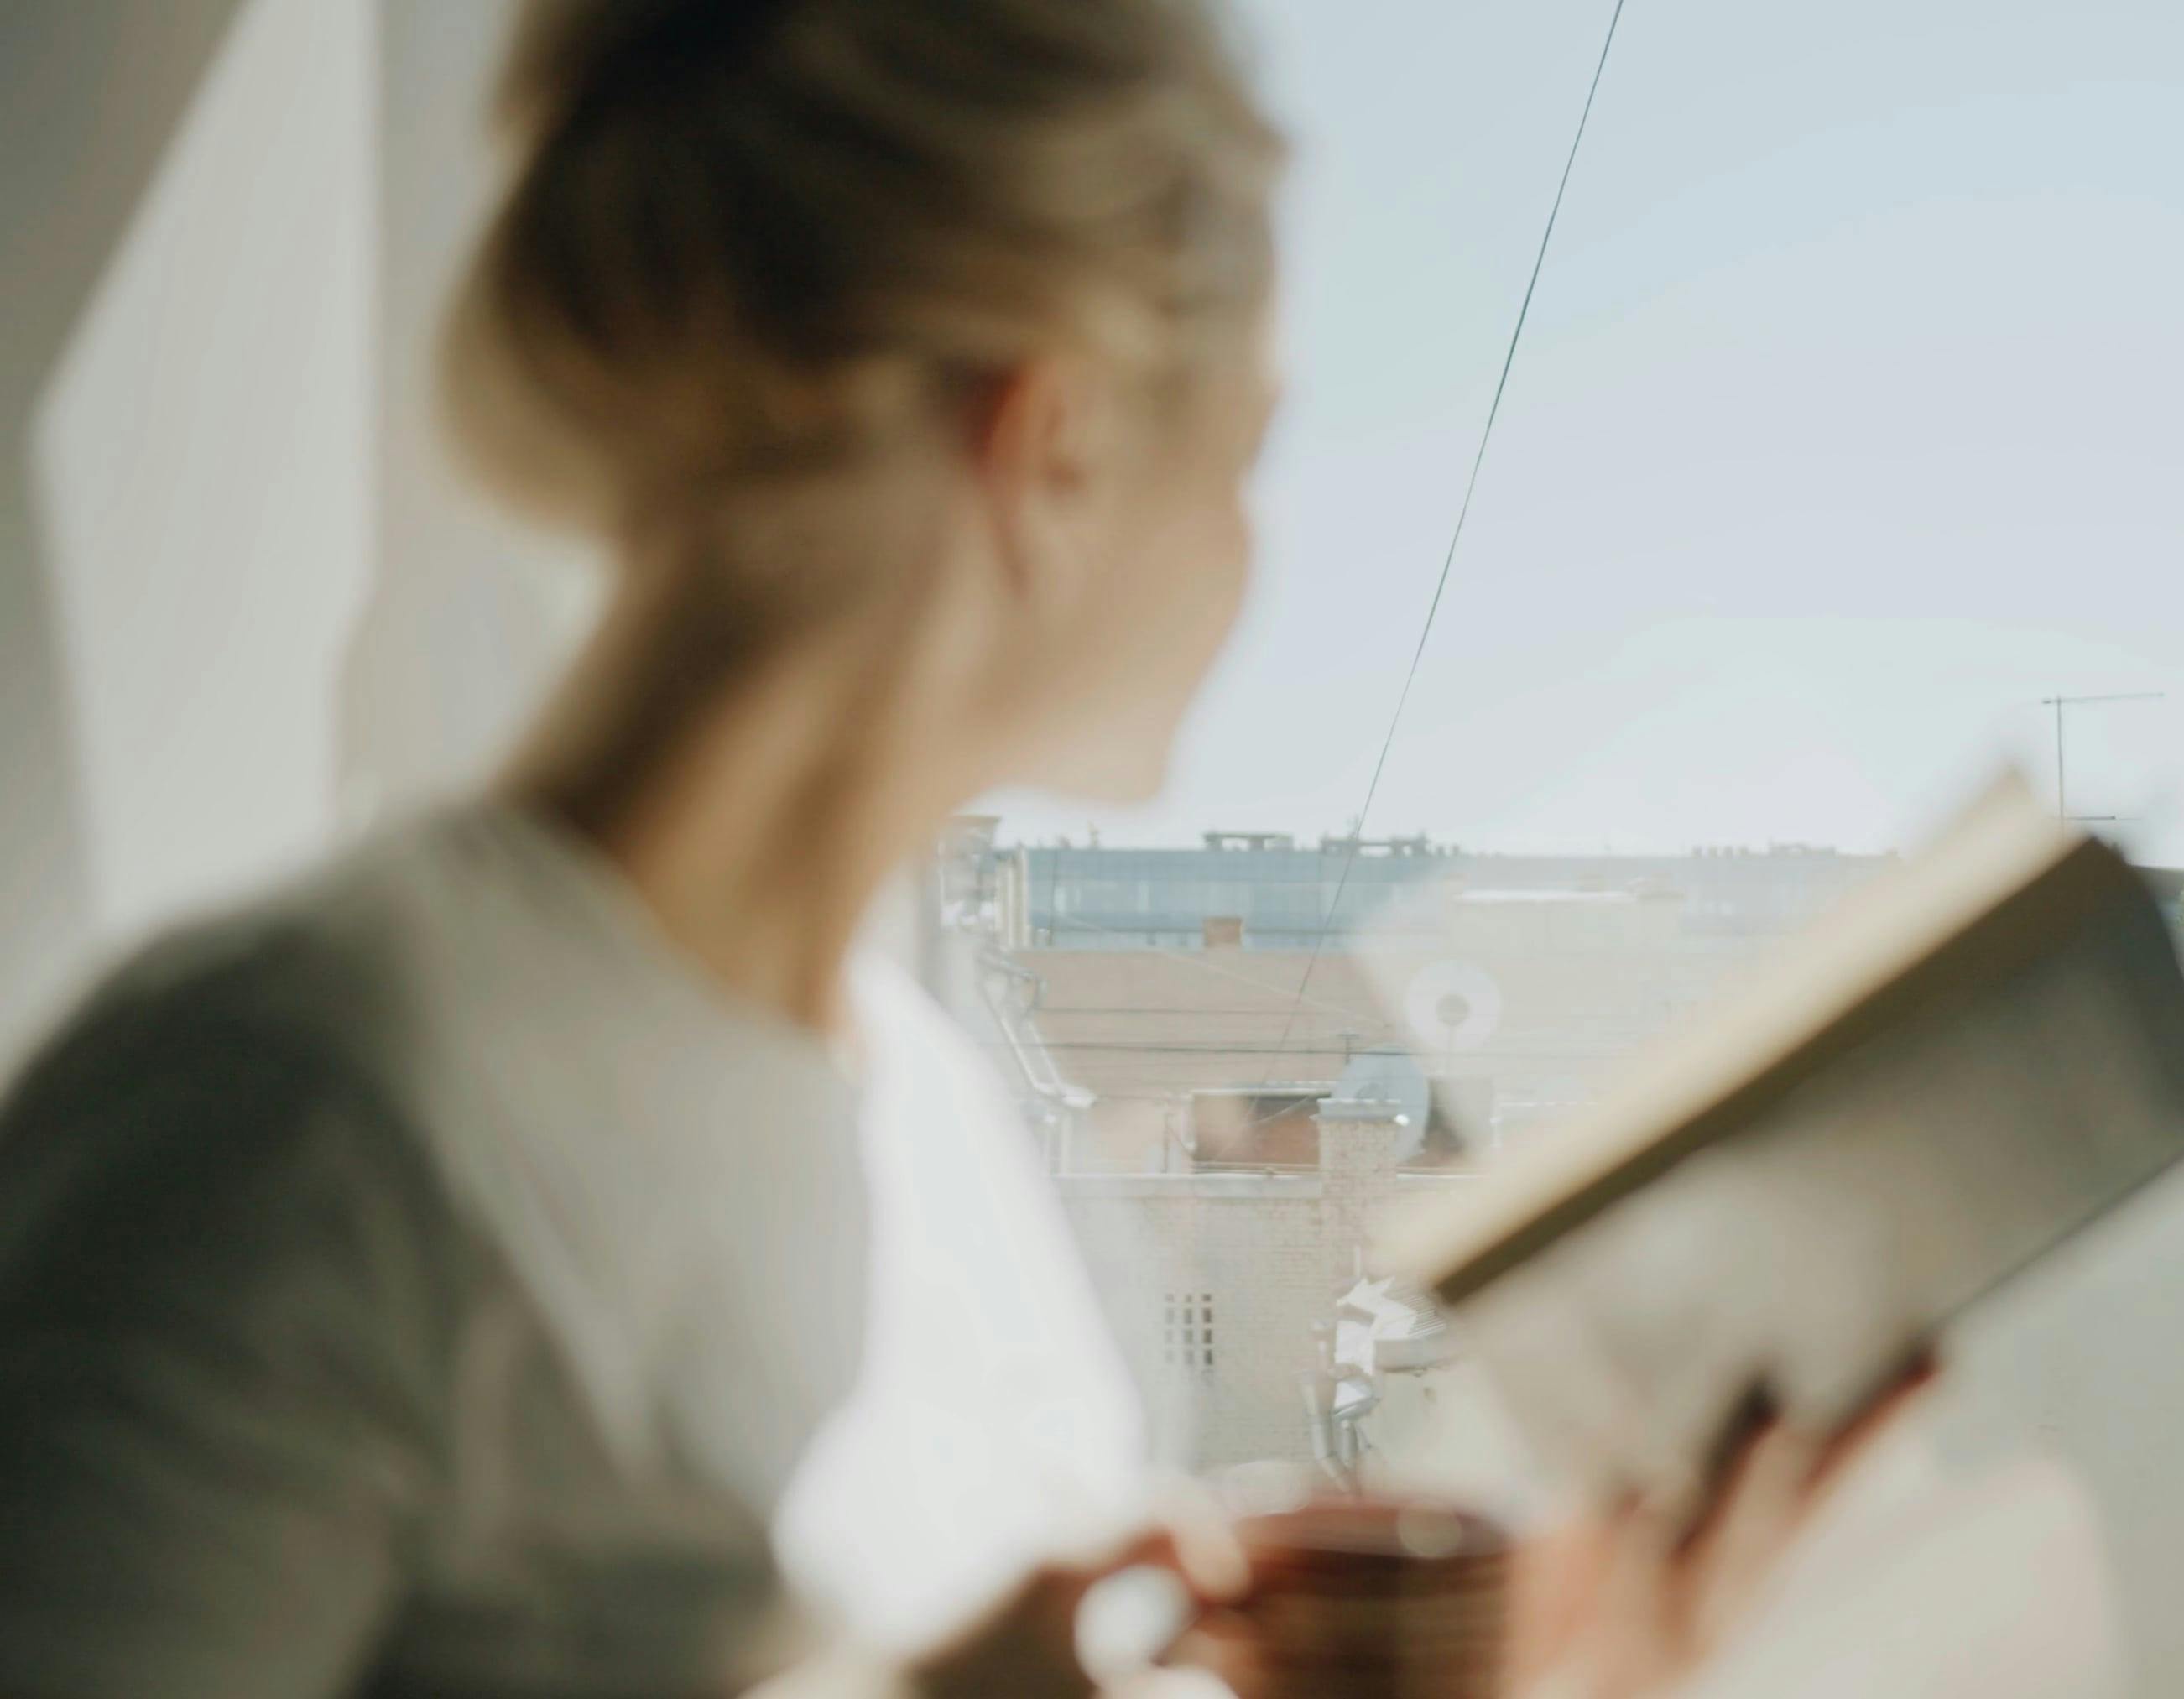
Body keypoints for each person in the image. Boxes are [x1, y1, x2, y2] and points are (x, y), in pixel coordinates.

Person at [0, 2, 1900, 1694]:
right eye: (1245, 455)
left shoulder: (933, 1117)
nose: (1258, 553)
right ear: (1052, 443)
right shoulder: (300, 1103)